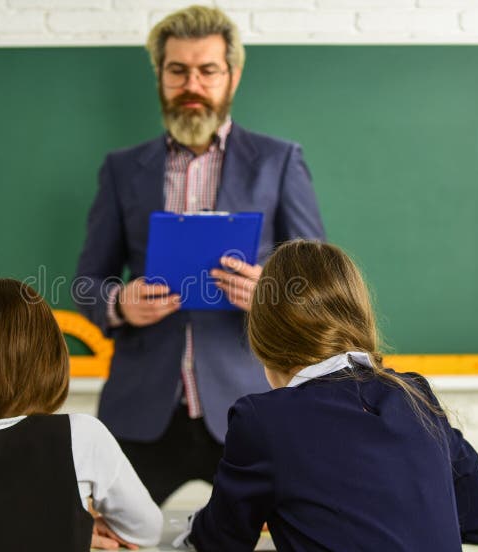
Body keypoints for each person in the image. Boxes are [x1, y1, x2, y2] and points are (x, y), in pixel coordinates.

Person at [73, 5, 325, 505]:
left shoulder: (279, 161)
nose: (192, 83)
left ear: (232, 75)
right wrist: (120, 303)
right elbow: (86, 282)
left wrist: (271, 295)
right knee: (107, 537)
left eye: (207, 70)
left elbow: (319, 286)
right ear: (161, 76)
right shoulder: (123, 169)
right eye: (177, 70)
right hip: (140, 412)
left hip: (251, 407)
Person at [174, 239, 478, 551]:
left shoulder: (263, 419)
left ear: (264, 335)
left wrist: (192, 529)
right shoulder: (415, 394)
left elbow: (222, 541)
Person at [0, 278, 162, 552]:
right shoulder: (81, 435)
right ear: (48, 355)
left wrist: (74, 529)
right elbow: (146, 530)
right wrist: (76, 528)